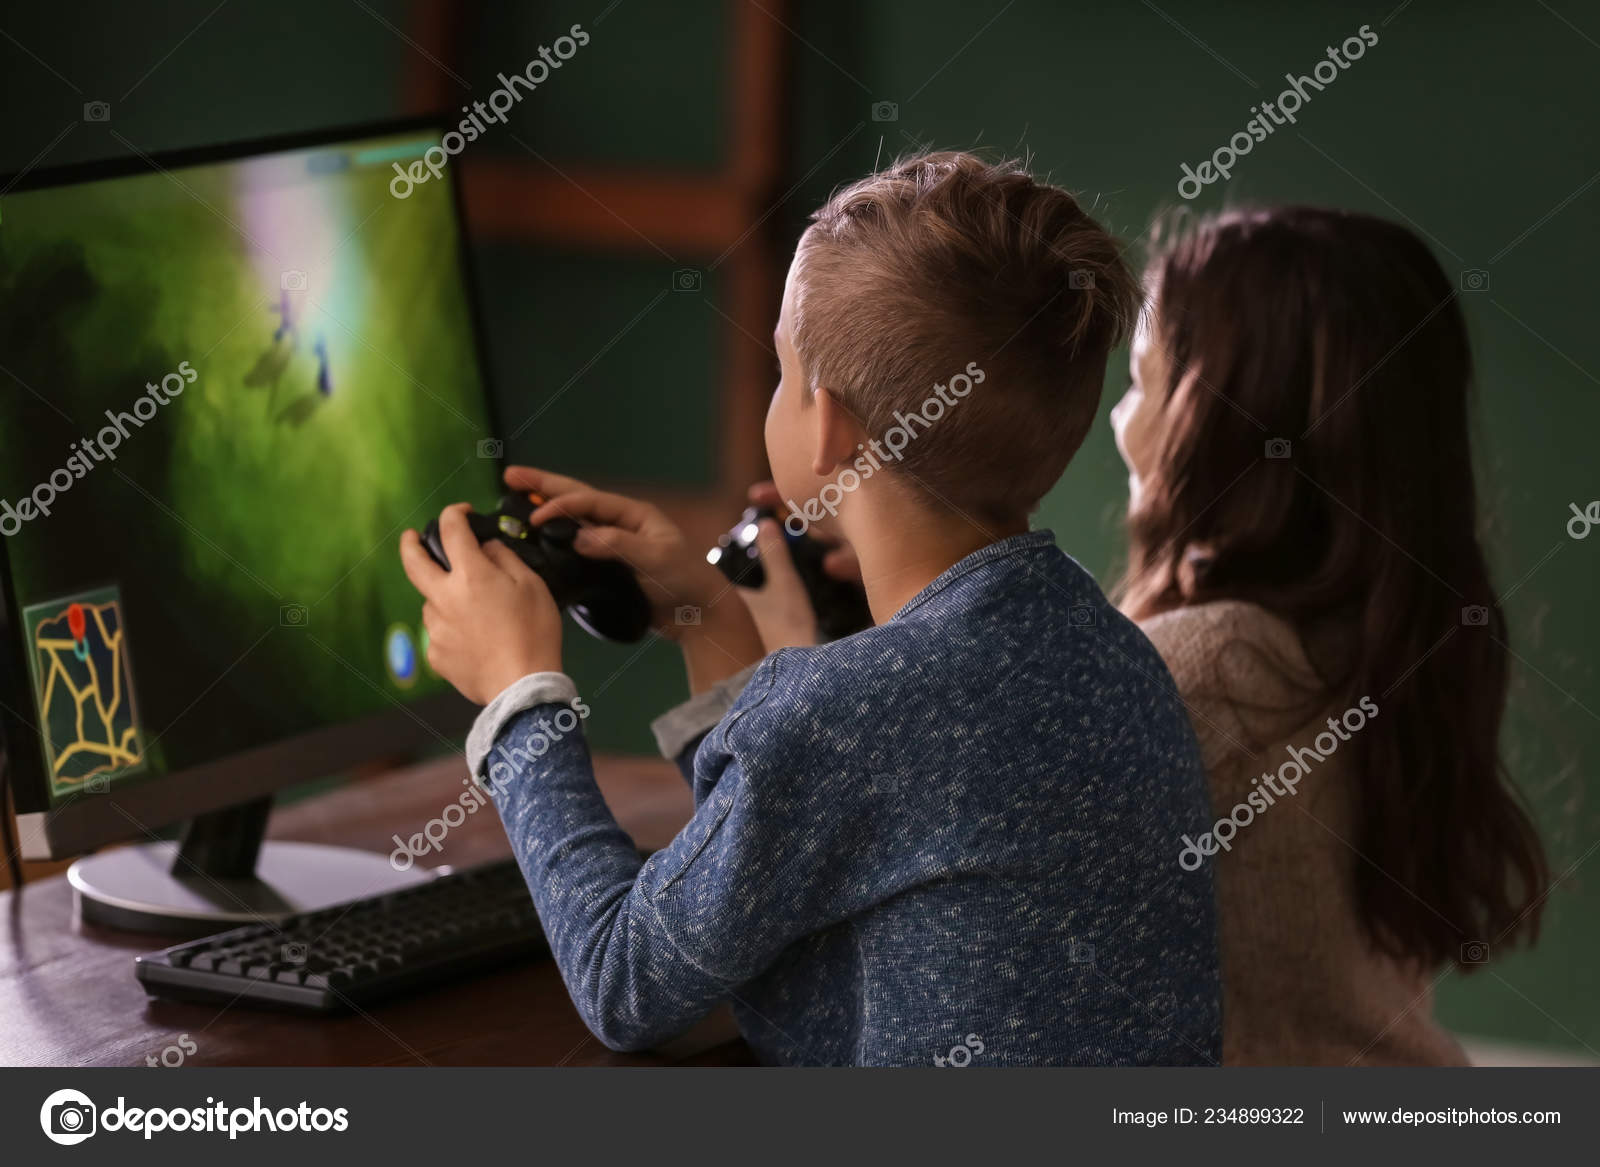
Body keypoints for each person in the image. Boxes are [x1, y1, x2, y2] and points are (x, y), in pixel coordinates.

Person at [399, 152, 1222, 1065]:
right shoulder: (1117, 658)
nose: (777, 395)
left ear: (827, 426)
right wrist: (703, 617)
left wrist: (520, 698)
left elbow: (624, 980)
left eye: (784, 371)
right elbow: (776, 870)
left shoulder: (859, 707)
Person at [1110, 206, 1549, 1064]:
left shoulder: (1210, 667)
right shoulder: (1392, 650)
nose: (1121, 422)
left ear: (1224, 418)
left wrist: (782, 667)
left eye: (1141, 380)